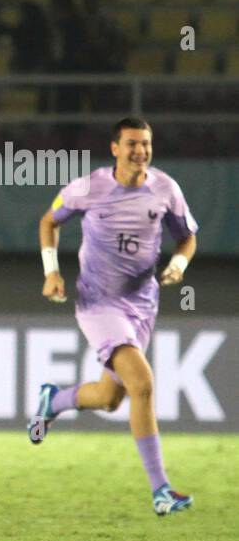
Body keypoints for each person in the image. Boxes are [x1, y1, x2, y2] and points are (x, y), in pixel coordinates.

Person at [31, 118, 198, 516]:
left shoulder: (166, 189)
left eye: (145, 144)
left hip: (142, 304)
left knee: (111, 397)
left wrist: (178, 264)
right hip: (98, 303)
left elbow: (187, 236)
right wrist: (51, 271)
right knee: (142, 383)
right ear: (114, 148)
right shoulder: (88, 187)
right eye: (131, 144)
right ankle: (161, 491)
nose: (139, 151)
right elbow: (48, 221)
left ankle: (54, 400)